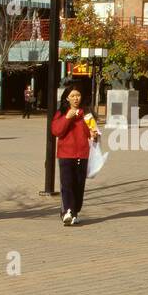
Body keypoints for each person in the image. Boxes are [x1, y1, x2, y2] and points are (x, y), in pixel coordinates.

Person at [51, 86, 100, 226]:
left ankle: (75, 211)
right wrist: (67, 118)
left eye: (78, 95)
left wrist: (94, 135)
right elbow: (56, 131)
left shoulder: (87, 114)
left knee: (79, 185)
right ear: (67, 98)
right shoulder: (61, 112)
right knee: (67, 184)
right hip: (66, 154)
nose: (76, 98)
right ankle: (67, 211)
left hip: (82, 153)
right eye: (72, 96)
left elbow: (93, 132)